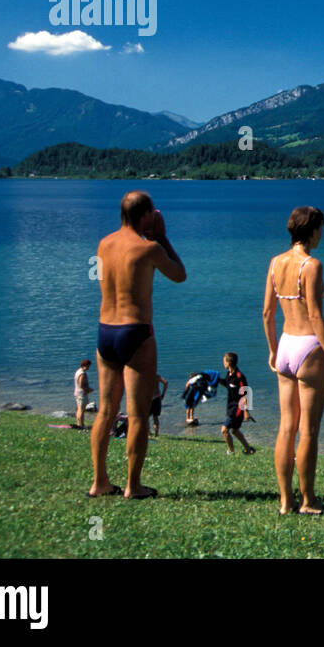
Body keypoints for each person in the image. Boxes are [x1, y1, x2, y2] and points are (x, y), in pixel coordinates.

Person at [89, 191, 186, 499]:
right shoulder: (150, 248)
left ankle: (99, 482)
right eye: (151, 215)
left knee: (105, 410)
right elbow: (180, 275)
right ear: (145, 216)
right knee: (138, 414)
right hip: (136, 331)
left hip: (106, 331)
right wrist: (163, 237)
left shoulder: (104, 244)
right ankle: (133, 486)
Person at [263, 206, 324, 515]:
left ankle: (285, 502)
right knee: (308, 430)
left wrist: (272, 349)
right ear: (311, 232)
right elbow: (314, 314)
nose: (322, 234)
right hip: (309, 347)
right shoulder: (311, 266)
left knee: (286, 427)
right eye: (320, 229)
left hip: (284, 345)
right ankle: (307, 500)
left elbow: (268, 313)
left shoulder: (275, 263)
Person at [219, 353, 256, 455]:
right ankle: (248, 449)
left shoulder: (239, 377)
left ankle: (230, 451)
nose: (223, 363)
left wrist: (246, 412)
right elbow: (228, 385)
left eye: (224, 361)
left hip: (238, 409)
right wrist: (217, 380)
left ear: (229, 362)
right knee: (235, 431)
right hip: (230, 407)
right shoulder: (229, 374)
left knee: (224, 430)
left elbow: (246, 393)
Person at [73, 359, 92, 429]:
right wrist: (88, 389)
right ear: (84, 365)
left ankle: (79, 424)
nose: (88, 368)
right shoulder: (82, 373)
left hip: (77, 392)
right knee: (81, 410)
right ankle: (81, 425)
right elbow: (81, 384)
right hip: (82, 393)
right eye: (88, 366)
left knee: (79, 409)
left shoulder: (78, 371)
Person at [149, 374, 168, 438]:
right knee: (155, 417)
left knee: (145, 418)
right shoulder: (156, 376)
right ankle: (156, 435)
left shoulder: (144, 376)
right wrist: (163, 394)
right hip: (157, 397)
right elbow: (165, 382)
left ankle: (148, 434)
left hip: (148, 399)